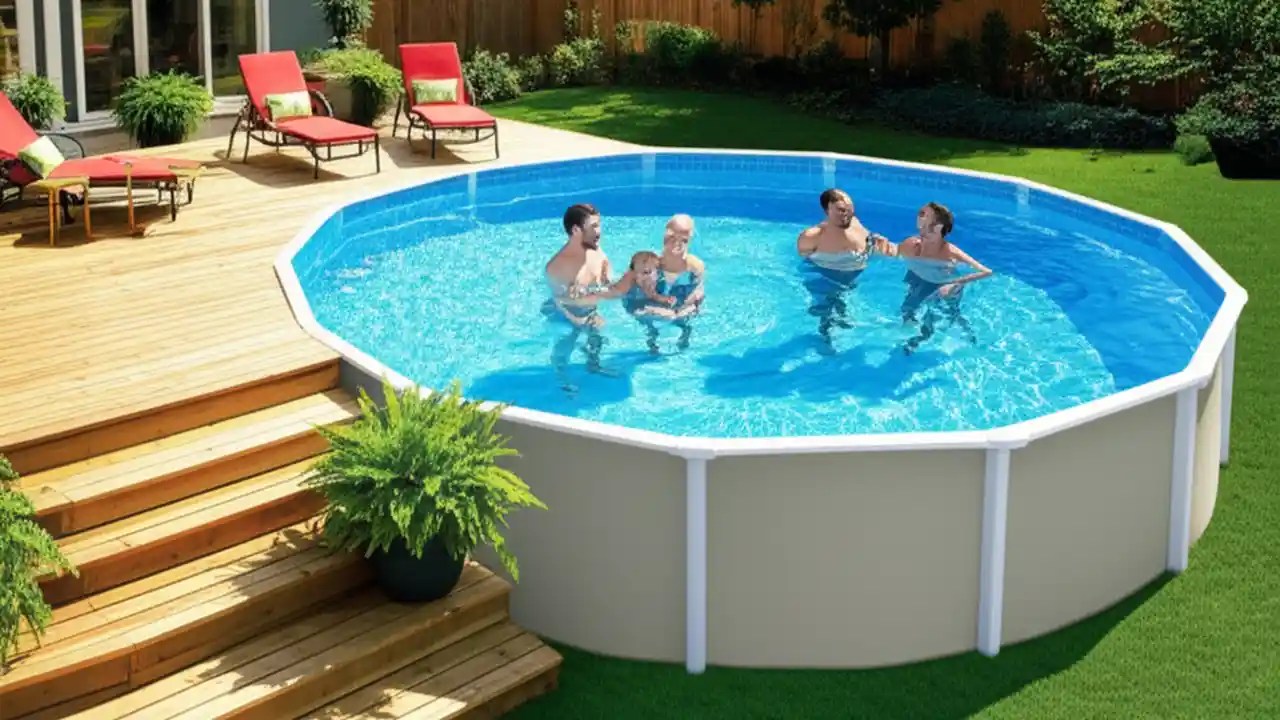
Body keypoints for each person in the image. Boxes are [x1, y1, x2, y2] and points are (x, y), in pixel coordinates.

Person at [796, 188, 896, 348]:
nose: (847, 214)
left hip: (852, 276)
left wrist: (877, 243)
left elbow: (868, 242)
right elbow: (806, 260)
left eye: (850, 209)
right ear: (827, 210)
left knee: (841, 305)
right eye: (841, 210)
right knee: (826, 311)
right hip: (824, 278)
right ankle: (826, 341)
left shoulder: (855, 223)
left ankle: (840, 322)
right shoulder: (813, 236)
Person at [897, 201, 992, 354]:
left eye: (923, 215)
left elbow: (986, 272)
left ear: (938, 226)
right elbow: (892, 252)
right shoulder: (911, 243)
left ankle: (923, 339)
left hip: (943, 286)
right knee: (906, 310)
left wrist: (953, 284)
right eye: (919, 213)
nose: (918, 217)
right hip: (920, 281)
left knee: (936, 318)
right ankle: (910, 337)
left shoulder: (950, 252)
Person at [545, 203, 612, 379]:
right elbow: (558, 303)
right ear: (576, 230)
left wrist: (605, 280)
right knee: (567, 340)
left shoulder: (596, 250)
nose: (599, 231)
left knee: (597, 332)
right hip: (564, 314)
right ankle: (561, 379)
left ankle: (593, 365)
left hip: (589, 311)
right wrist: (578, 321)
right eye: (594, 226)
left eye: (599, 224)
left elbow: (606, 279)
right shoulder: (557, 267)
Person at [587, 250, 695, 354]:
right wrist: (590, 291)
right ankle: (653, 340)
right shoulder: (630, 280)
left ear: (657, 272)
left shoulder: (663, 277)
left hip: (653, 299)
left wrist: (668, 300)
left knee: (680, 316)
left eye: (647, 273)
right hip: (634, 302)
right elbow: (612, 292)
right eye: (638, 273)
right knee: (648, 318)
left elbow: (658, 295)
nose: (642, 277)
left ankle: (684, 331)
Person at [656, 214, 706, 350]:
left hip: (682, 306)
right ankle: (652, 339)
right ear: (664, 237)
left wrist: (690, 307)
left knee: (685, 318)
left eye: (683, 239)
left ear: (689, 240)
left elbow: (699, 292)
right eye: (672, 236)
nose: (677, 242)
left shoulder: (695, 266)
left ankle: (685, 332)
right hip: (658, 306)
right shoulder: (652, 264)